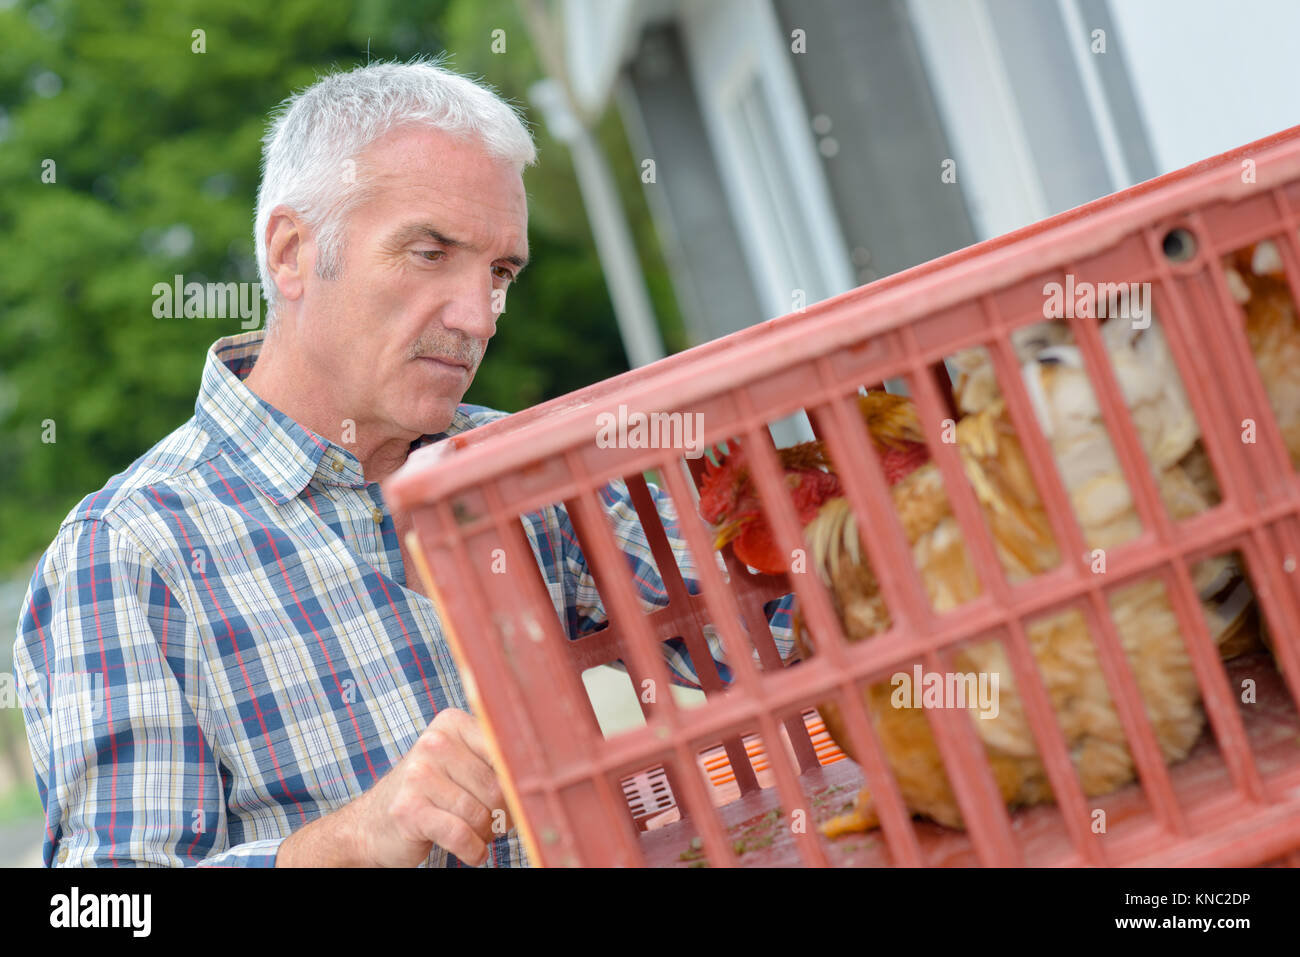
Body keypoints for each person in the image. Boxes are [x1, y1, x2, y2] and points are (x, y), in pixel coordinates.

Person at [13, 59, 794, 868]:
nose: (477, 316)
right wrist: (350, 840)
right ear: (291, 254)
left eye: (500, 273)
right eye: (430, 253)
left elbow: (776, 624)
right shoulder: (129, 550)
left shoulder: (516, 469)